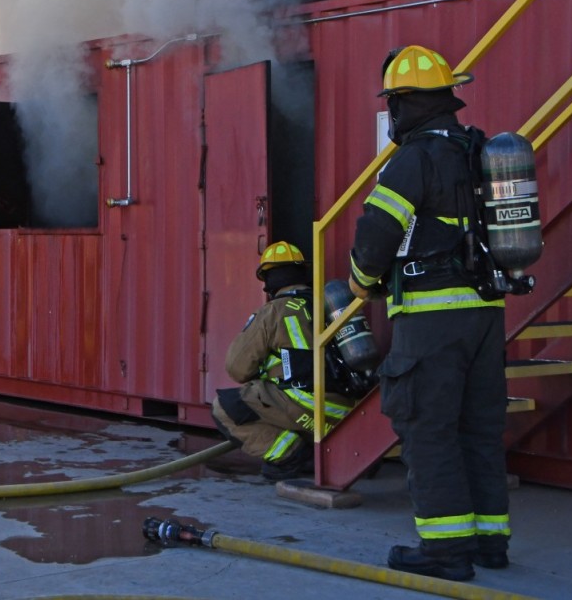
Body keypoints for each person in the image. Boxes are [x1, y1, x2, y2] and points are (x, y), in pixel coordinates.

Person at [348, 45, 511, 582]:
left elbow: (376, 236)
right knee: (479, 428)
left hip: (431, 319)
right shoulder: (476, 148)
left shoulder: (414, 159)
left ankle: (445, 551)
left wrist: (361, 283)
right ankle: (490, 542)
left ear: (404, 105)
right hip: (486, 314)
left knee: (429, 429)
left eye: (393, 103)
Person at [211, 241, 354, 482]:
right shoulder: (330, 305)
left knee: (224, 407)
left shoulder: (273, 311)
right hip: (347, 411)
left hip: (306, 405)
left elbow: (237, 368)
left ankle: (290, 455)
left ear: (268, 279)